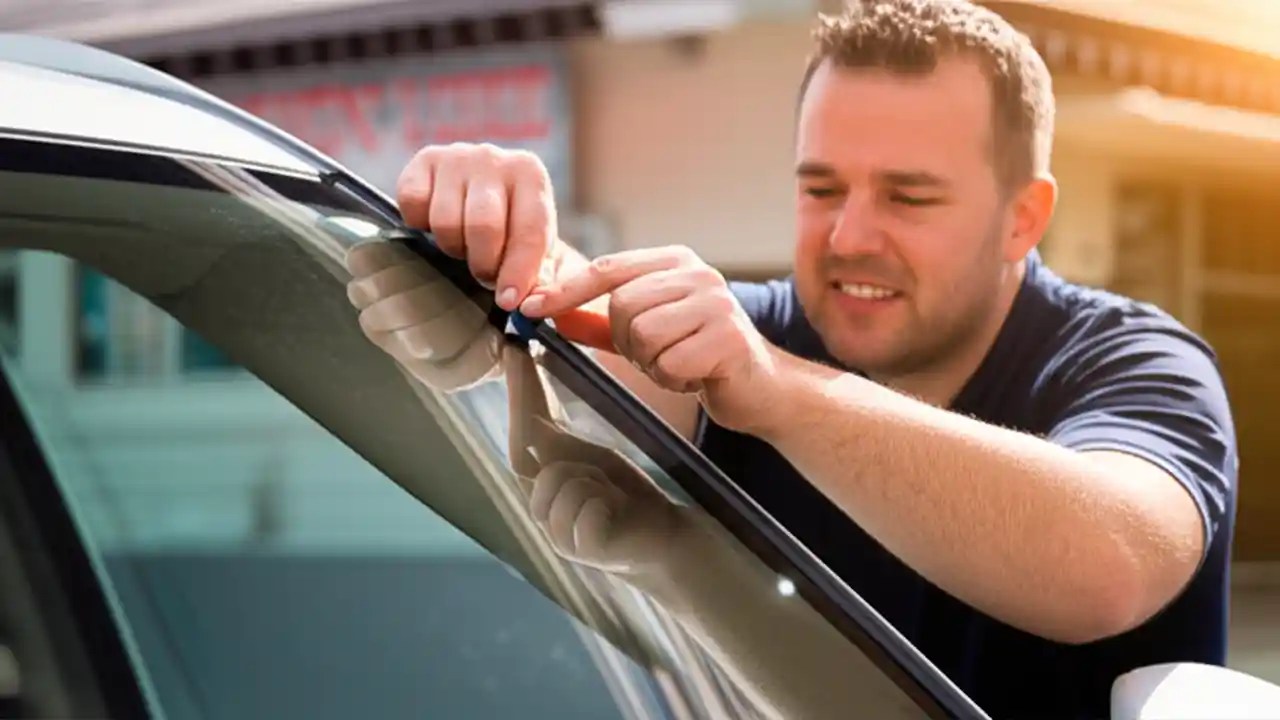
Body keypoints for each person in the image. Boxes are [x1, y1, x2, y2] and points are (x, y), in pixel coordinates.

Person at [349, 1, 1239, 717]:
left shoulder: (1134, 361)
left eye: (909, 196)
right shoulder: (755, 329)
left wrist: (777, 394)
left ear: (1024, 218)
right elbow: (579, 327)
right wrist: (494, 257)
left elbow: (1106, 565)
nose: (850, 236)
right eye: (821, 188)